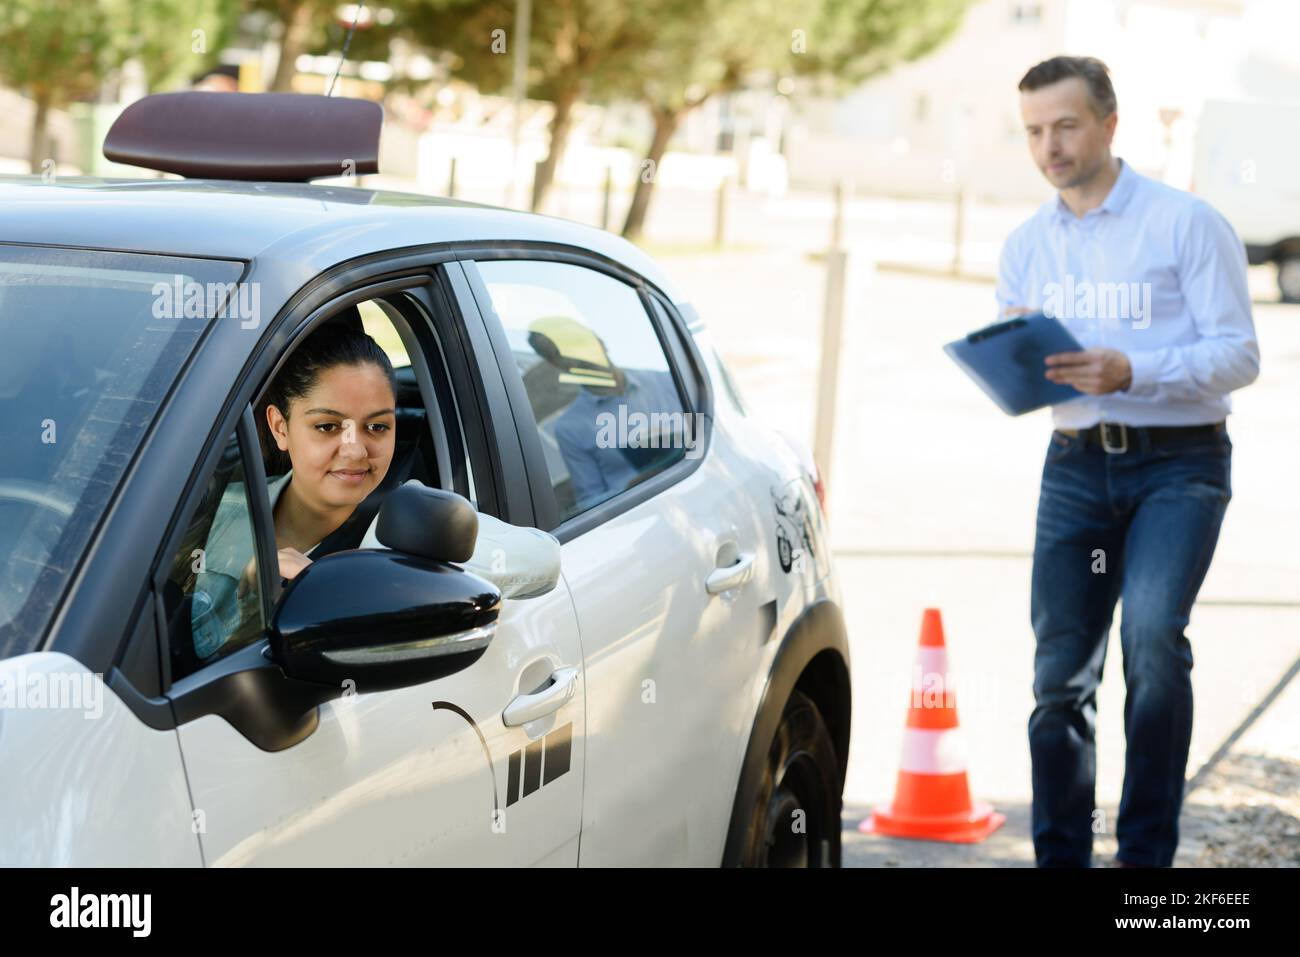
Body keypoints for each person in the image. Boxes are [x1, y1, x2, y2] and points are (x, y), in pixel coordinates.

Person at [998, 56, 1260, 868]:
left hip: (1177, 466)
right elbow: (1023, 366)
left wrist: (1133, 370)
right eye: (1035, 130)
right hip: (1074, 464)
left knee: (1151, 643)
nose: (1050, 145)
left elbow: (1239, 354)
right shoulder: (1027, 244)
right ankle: (1060, 859)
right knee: (1060, 680)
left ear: (1110, 124)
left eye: (1066, 124)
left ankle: (1145, 863)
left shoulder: (1187, 223)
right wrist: (1014, 366)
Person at [198, 319, 560, 661]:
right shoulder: (220, 507)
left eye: (377, 426)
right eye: (327, 426)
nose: (355, 450)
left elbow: (543, 559)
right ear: (280, 428)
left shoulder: (405, 524)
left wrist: (344, 582)